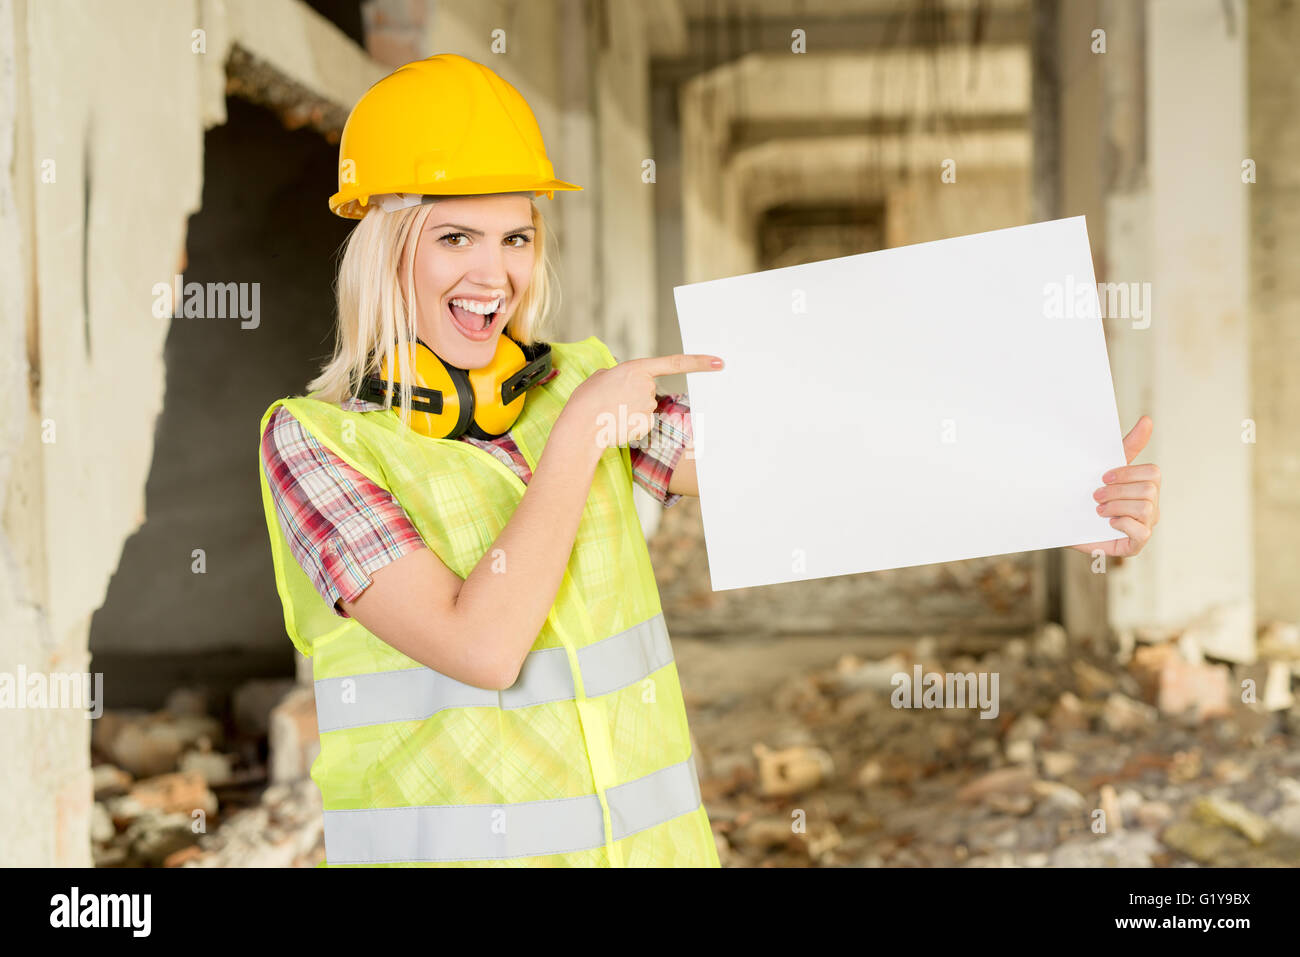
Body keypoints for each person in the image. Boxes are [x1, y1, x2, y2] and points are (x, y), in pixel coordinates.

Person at [257, 53, 724, 867]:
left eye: (516, 236)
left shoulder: (572, 381)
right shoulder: (316, 443)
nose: (494, 272)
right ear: (386, 249)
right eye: (454, 236)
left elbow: (763, 464)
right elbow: (482, 650)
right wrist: (580, 436)